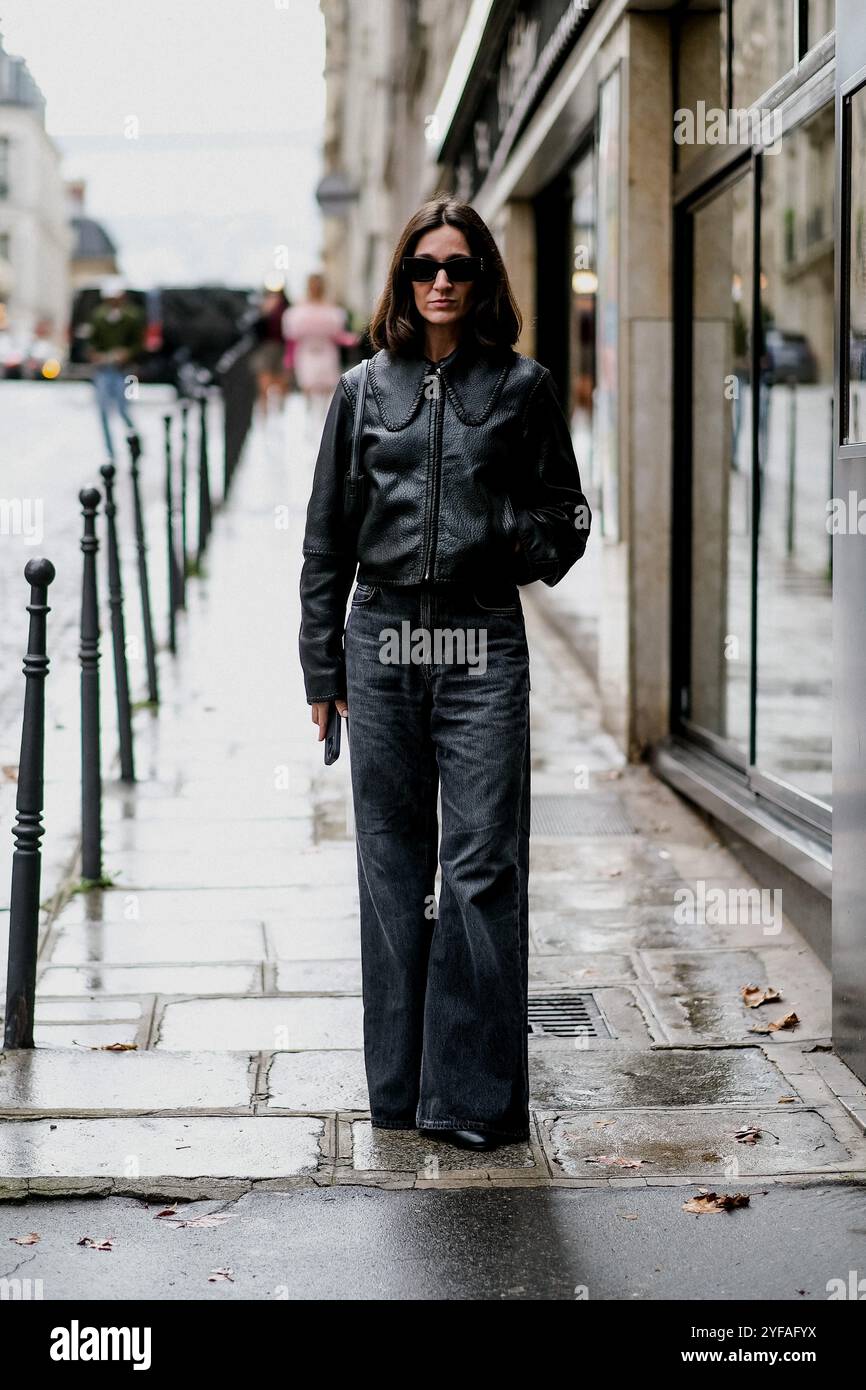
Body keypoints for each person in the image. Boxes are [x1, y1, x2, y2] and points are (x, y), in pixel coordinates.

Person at [298, 196, 591, 1152]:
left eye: (458, 267)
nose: (440, 282)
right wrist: (320, 667)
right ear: (402, 277)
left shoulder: (523, 387)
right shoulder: (359, 394)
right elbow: (325, 542)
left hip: (478, 645)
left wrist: (498, 526)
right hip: (379, 644)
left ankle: (469, 1099)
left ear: (482, 279)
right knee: (391, 870)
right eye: (425, 265)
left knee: (480, 869)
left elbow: (567, 524)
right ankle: (397, 1091)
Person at [283, 273, 357, 427]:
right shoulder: (300, 309)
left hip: (326, 351)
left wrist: (350, 339)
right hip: (307, 351)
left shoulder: (331, 309)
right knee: (309, 385)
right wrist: (289, 358)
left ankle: (323, 422)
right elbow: (292, 336)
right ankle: (310, 418)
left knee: (325, 387)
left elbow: (337, 334)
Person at [87, 277, 145, 459]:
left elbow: (139, 343)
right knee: (103, 412)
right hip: (104, 370)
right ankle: (110, 453)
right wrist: (96, 354)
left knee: (125, 408)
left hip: (125, 370)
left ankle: (134, 443)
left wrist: (127, 353)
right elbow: (92, 342)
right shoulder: (99, 316)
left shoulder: (133, 316)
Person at [251, 285, 290, 415]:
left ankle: (280, 411)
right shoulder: (262, 306)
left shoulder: (286, 307)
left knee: (281, 381)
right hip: (266, 348)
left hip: (282, 347)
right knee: (264, 382)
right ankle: (264, 413)